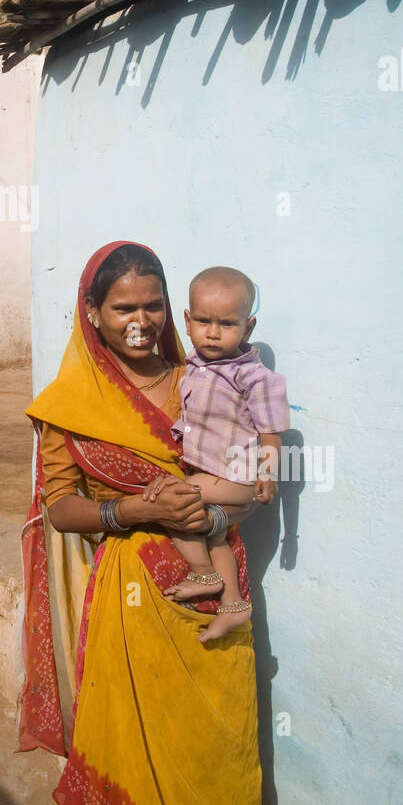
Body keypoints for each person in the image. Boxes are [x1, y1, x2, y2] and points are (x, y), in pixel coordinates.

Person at [19, 240, 264, 805]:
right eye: (123, 307)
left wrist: (216, 507)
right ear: (92, 312)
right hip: (128, 603)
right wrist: (133, 510)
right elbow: (59, 506)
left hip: (215, 585)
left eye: (153, 306)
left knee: (216, 743)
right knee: (133, 745)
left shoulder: (202, 381)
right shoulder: (69, 404)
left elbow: (251, 484)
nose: (140, 321)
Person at [145, 265, 289, 641]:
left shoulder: (253, 378)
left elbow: (270, 432)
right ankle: (234, 605)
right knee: (215, 536)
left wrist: (269, 475)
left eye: (226, 324)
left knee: (171, 499)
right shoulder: (193, 365)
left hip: (236, 476)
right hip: (212, 473)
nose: (212, 332)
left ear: (248, 327)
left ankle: (202, 574)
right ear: (188, 321)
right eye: (204, 321)